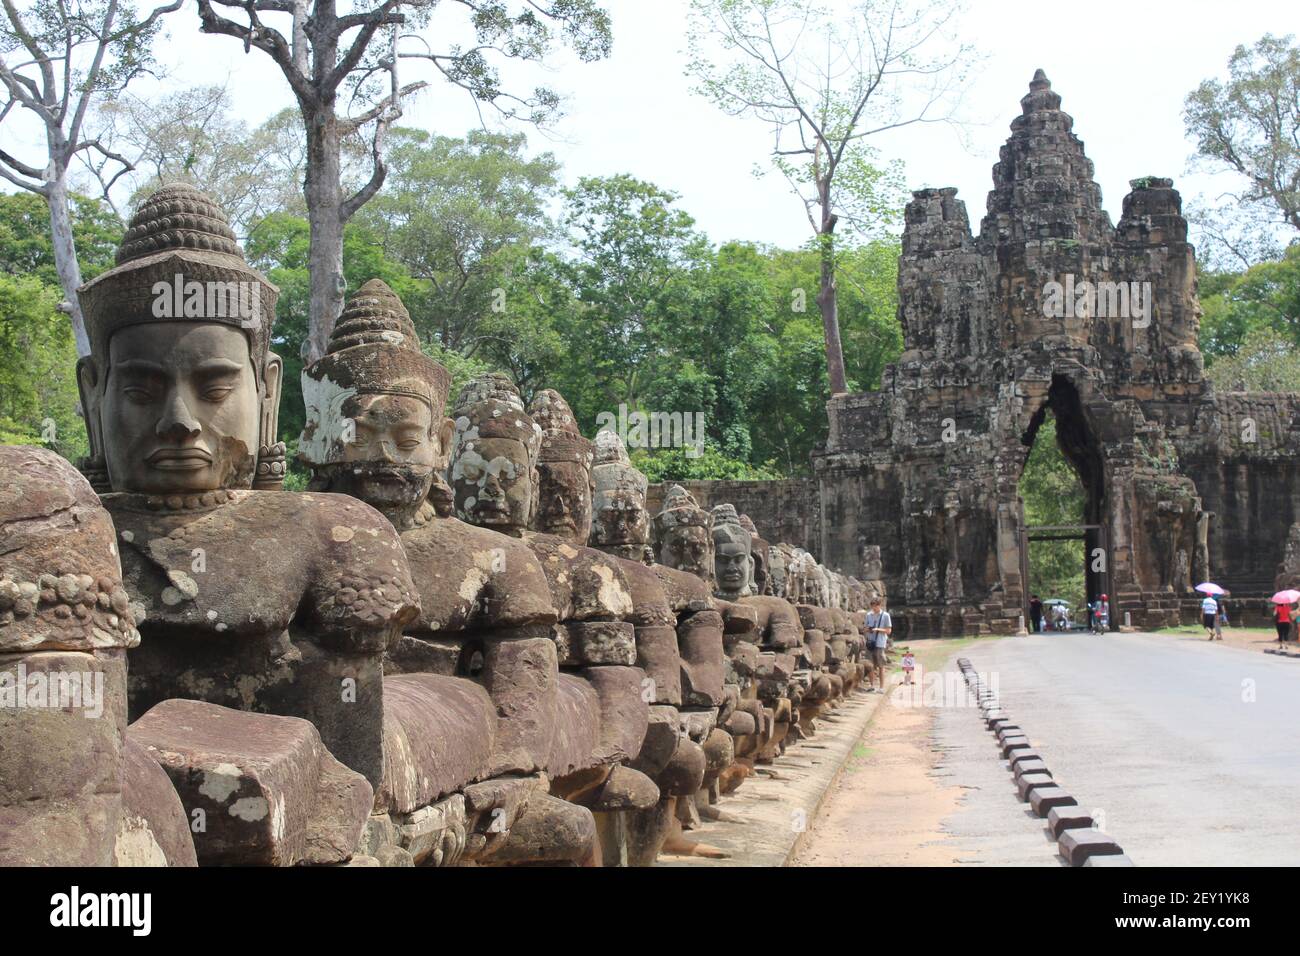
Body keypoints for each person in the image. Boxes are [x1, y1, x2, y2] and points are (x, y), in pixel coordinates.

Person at [865, 598, 892, 693]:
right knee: (870, 666)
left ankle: (881, 687)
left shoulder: (885, 616)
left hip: (880, 643)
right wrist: (869, 629)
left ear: (879, 605)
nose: (874, 608)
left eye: (875, 606)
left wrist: (877, 630)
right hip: (870, 642)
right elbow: (865, 628)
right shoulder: (869, 615)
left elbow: (888, 631)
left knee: (881, 666)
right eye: (872, 606)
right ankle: (872, 685)